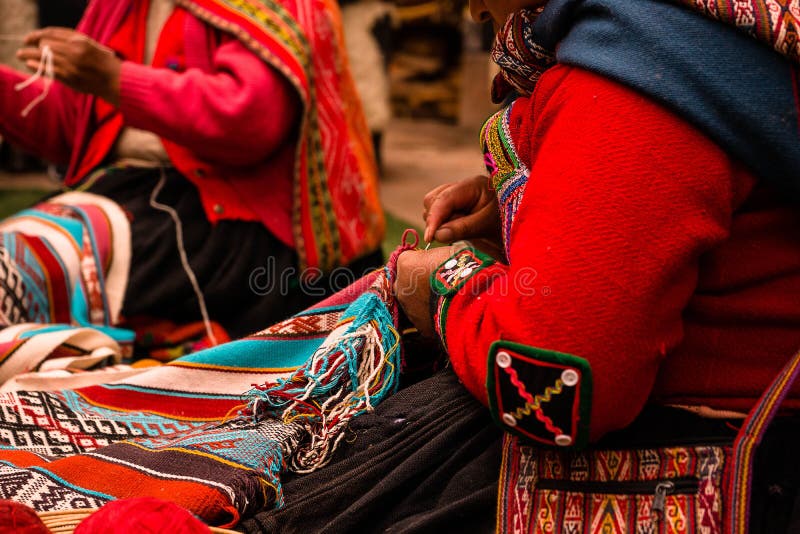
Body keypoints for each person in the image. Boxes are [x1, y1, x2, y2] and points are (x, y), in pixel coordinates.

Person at [240, 0, 800, 532]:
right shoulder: (681, 44)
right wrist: (538, 208)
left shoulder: (652, 67)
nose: (472, 10)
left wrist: (440, 284)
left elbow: (556, 379)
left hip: (717, 462)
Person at [0, 0, 385, 343]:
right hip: (130, 196)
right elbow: (74, 125)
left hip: (230, 219)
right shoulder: (120, 7)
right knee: (18, 268)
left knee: (20, 274)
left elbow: (251, 122)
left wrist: (113, 79)